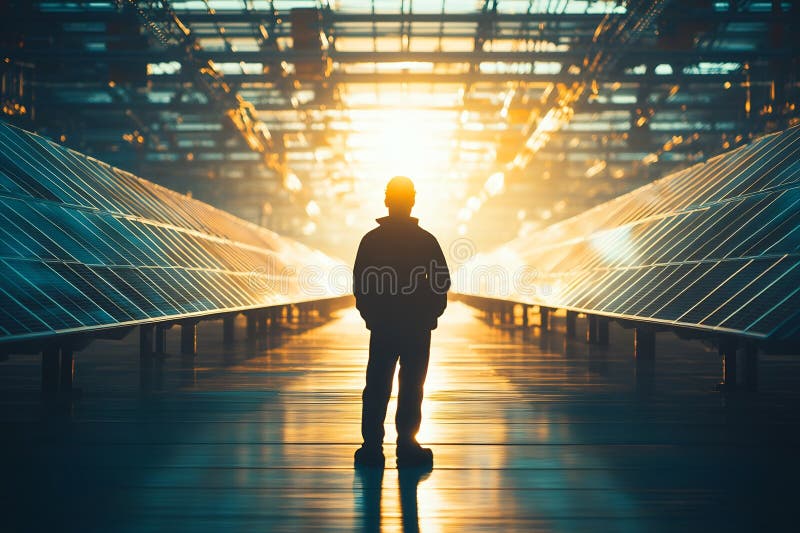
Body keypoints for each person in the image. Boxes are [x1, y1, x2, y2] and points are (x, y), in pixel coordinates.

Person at [352, 176, 451, 469]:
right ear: (412, 202)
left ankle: (371, 447)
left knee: (377, 385)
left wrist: (371, 315)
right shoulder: (426, 240)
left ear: (386, 202)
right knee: (412, 385)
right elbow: (441, 282)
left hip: (383, 325)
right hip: (416, 326)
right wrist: (430, 315)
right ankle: (407, 445)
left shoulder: (371, 240)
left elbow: (361, 283)